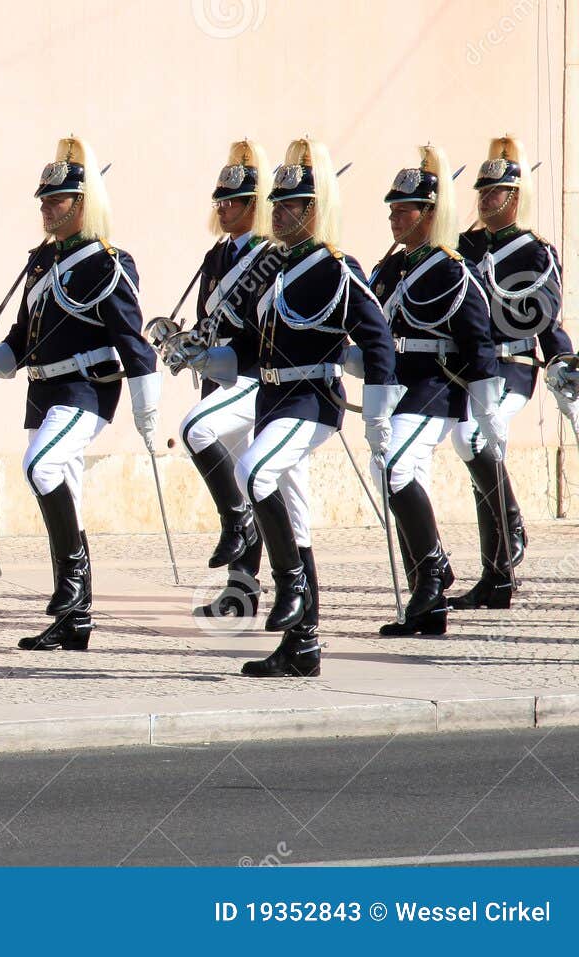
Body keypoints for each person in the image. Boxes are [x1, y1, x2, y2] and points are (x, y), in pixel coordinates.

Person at [173, 138, 396, 677]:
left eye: (287, 205)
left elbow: (379, 343)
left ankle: (290, 584)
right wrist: (206, 357)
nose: (277, 212)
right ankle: (303, 647)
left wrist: (378, 417)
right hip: (274, 399)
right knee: (295, 518)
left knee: (252, 471)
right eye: (273, 204)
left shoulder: (337, 268)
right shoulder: (274, 270)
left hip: (312, 400)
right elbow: (251, 349)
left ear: (312, 211)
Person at [0, 136, 159, 651]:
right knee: (64, 487)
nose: (46, 207)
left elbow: (133, 340)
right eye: (44, 199)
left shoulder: (104, 262)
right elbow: (24, 335)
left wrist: (145, 407)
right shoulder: (42, 261)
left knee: (39, 466)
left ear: (81, 204)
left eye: (56, 199)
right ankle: (76, 621)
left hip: (87, 389)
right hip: (43, 391)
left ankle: (69, 586)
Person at [366, 145, 501, 635]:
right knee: (398, 476)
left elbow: (478, 344)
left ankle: (435, 568)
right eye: (392, 210)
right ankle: (428, 603)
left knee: (392, 465)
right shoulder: (388, 270)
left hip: (436, 387)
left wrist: (490, 413)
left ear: (429, 213)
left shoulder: (451, 271)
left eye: (403, 210)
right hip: (398, 389)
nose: (394, 218)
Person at [447, 135, 575, 610]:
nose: (485, 198)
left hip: (513, 365)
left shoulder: (533, 250)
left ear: (514, 197)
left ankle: (511, 528)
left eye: (494, 192)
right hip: (471, 369)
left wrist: (562, 362)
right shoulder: (463, 245)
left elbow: (545, 315)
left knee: (477, 440)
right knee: (471, 441)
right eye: (481, 191)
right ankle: (497, 576)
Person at [173, 140, 282, 620]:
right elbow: (208, 319)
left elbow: (266, 328)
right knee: (242, 477)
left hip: (255, 378)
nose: (222, 209)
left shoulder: (270, 256)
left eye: (231, 202)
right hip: (222, 380)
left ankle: (246, 537)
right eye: (219, 201)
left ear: (252, 206)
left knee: (255, 483)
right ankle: (241, 594)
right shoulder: (216, 257)